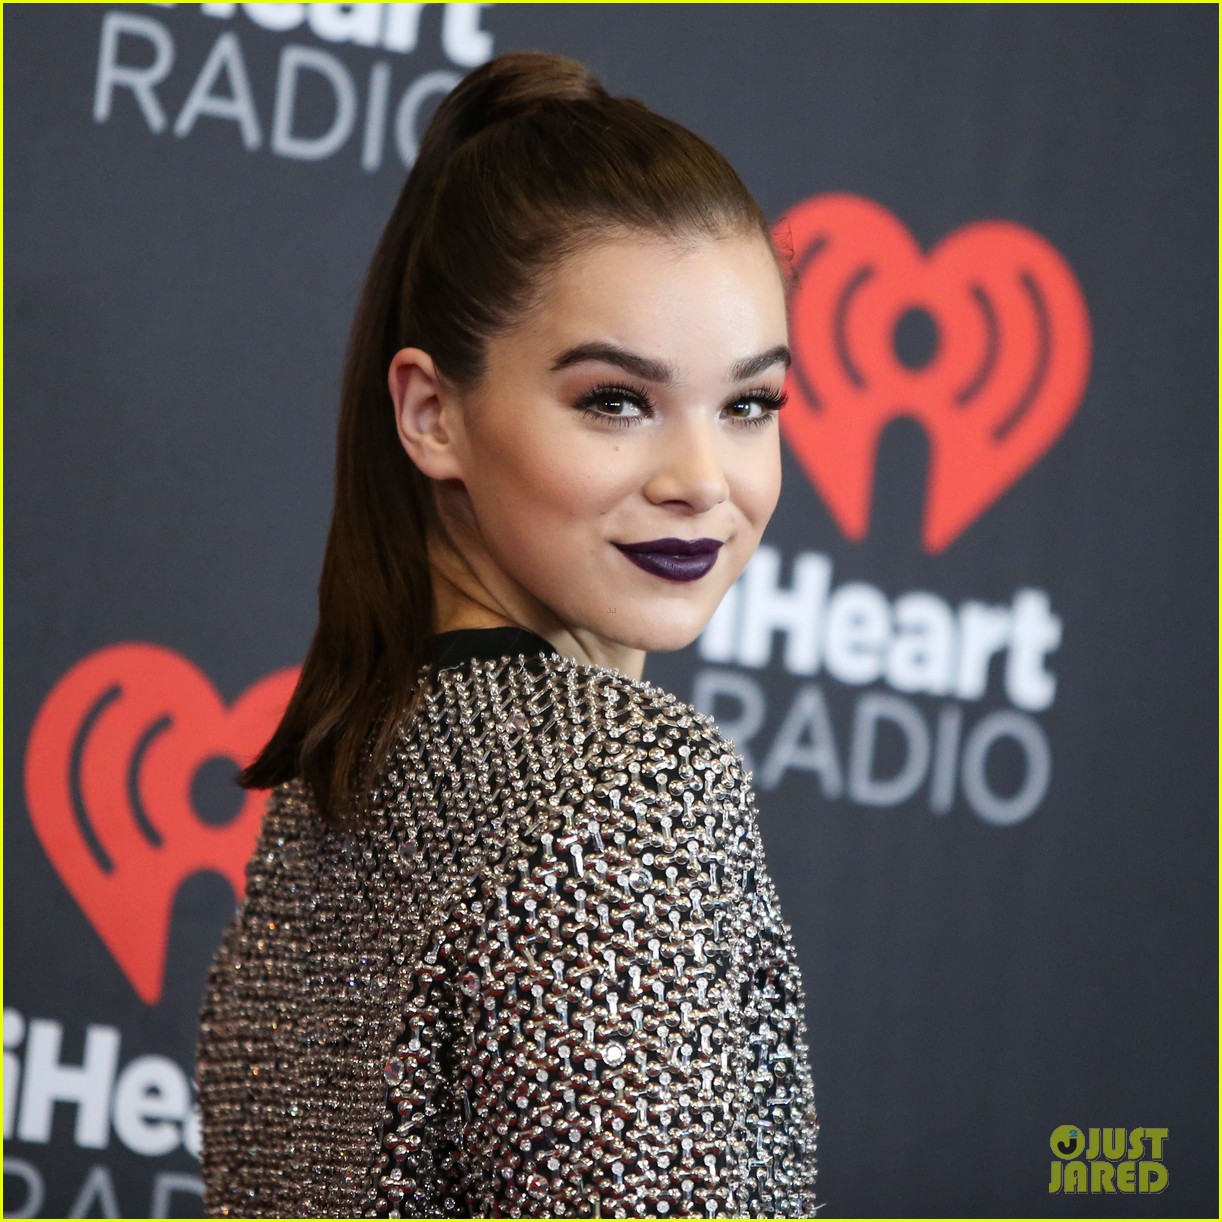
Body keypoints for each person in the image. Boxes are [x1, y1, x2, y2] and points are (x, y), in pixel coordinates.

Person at [196, 50, 820, 1220]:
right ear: (432, 413)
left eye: (749, 404)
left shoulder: (330, 798)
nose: (702, 480)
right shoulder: (621, 788)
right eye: (614, 401)